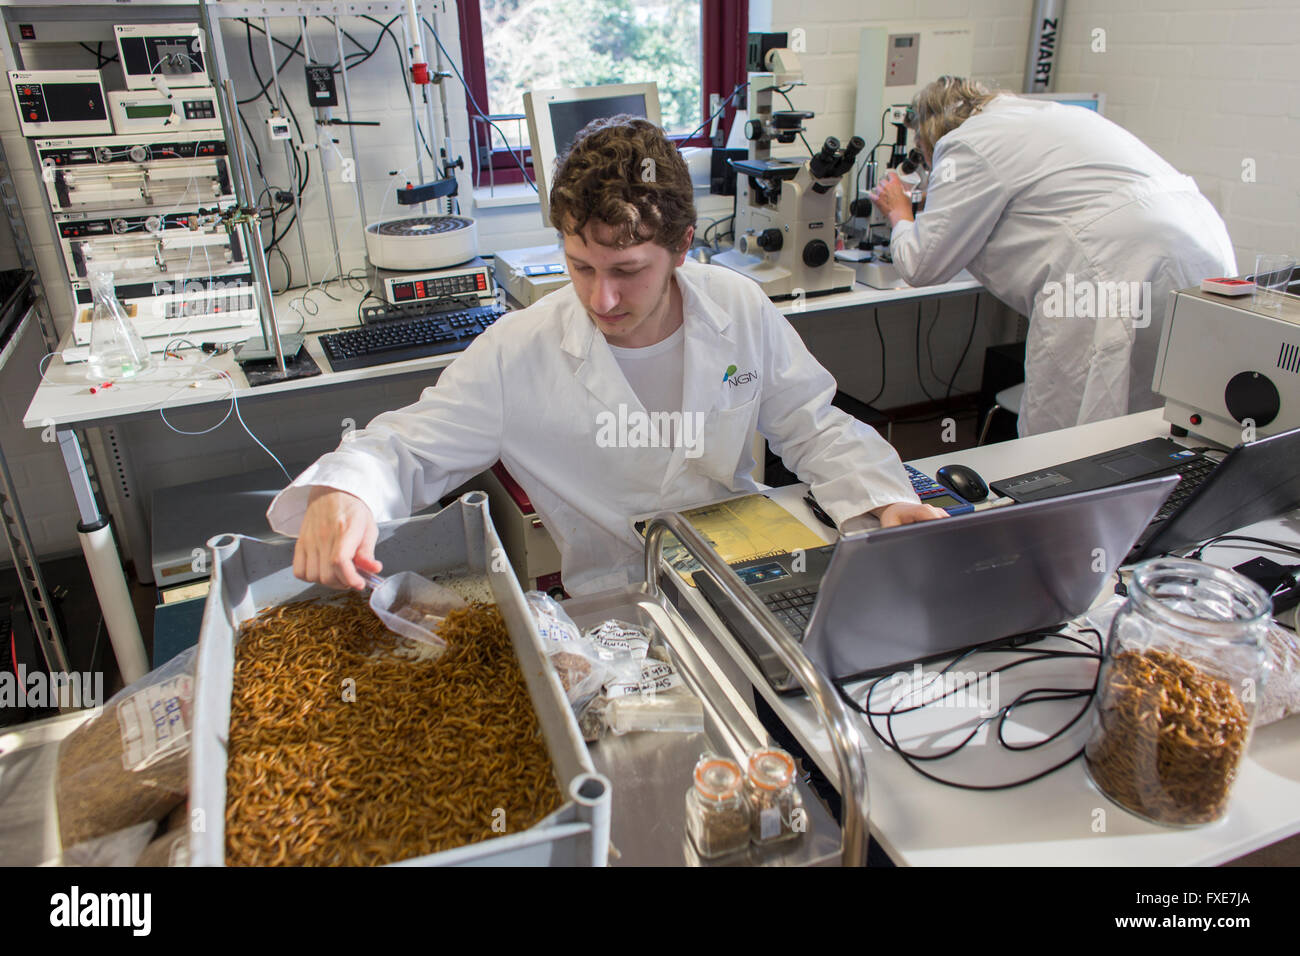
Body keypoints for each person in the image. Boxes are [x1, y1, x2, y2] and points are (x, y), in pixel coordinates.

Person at [269, 116, 945, 594]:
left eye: (627, 270)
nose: (603, 298)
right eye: (580, 267)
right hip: (618, 605)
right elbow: (408, 446)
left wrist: (883, 501)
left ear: (682, 248)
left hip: (748, 577)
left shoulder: (736, 307)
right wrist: (346, 490)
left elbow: (811, 423)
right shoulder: (520, 350)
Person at [868, 76, 1236, 437]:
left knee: (1069, 432)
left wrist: (899, 212)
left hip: (1114, 265)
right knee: (1173, 418)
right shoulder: (1050, 116)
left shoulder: (966, 142)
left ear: (929, 134)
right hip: (1199, 249)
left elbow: (920, 265)